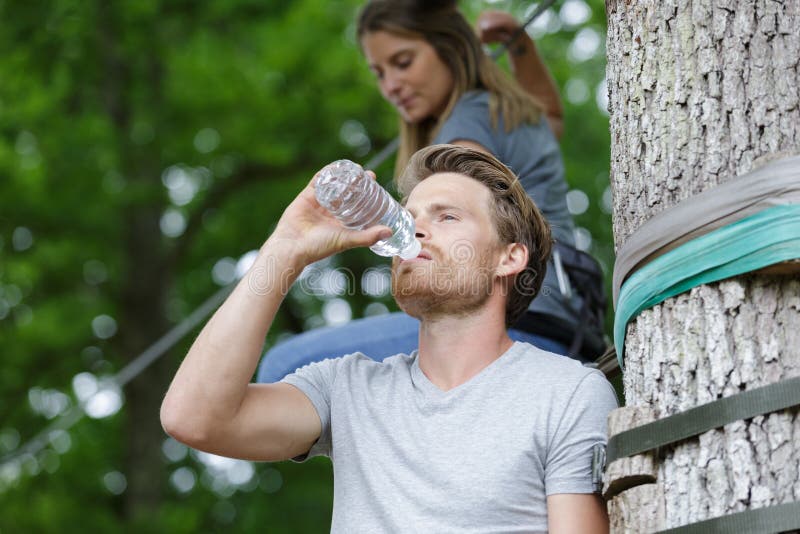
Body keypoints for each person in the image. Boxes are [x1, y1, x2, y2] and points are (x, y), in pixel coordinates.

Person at [161, 144, 618, 532]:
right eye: (409, 215)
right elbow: (193, 419)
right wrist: (286, 248)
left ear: (509, 257)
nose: (415, 229)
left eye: (448, 217)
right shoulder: (344, 388)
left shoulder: (568, 393)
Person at [256, 0, 606, 384]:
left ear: (449, 48)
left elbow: (458, 223)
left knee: (282, 367)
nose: (391, 85)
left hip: (522, 323)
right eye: (379, 73)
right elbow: (552, 118)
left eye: (403, 62)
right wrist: (519, 45)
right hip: (567, 321)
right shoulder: (500, 111)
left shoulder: (466, 123)